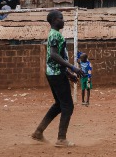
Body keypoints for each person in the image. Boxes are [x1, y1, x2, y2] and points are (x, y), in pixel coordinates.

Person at [31, 10, 82, 147]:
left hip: (54, 73)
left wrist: (68, 74)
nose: (63, 20)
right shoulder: (55, 35)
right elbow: (53, 55)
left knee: (59, 104)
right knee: (68, 106)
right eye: (61, 18)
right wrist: (73, 68)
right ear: (54, 20)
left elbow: (56, 59)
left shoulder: (55, 34)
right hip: (56, 75)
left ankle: (38, 132)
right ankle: (61, 139)